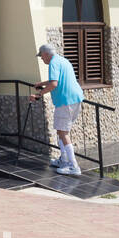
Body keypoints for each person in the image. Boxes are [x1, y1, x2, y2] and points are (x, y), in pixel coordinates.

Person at [30, 43, 86, 176]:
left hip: (65, 101)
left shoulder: (53, 63)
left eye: (41, 56)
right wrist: (42, 84)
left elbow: (54, 84)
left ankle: (73, 166)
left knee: (63, 132)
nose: (42, 59)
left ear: (46, 54)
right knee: (62, 131)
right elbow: (56, 80)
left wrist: (38, 95)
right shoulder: (63, 60)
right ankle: (64, 160)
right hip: (75, 99)